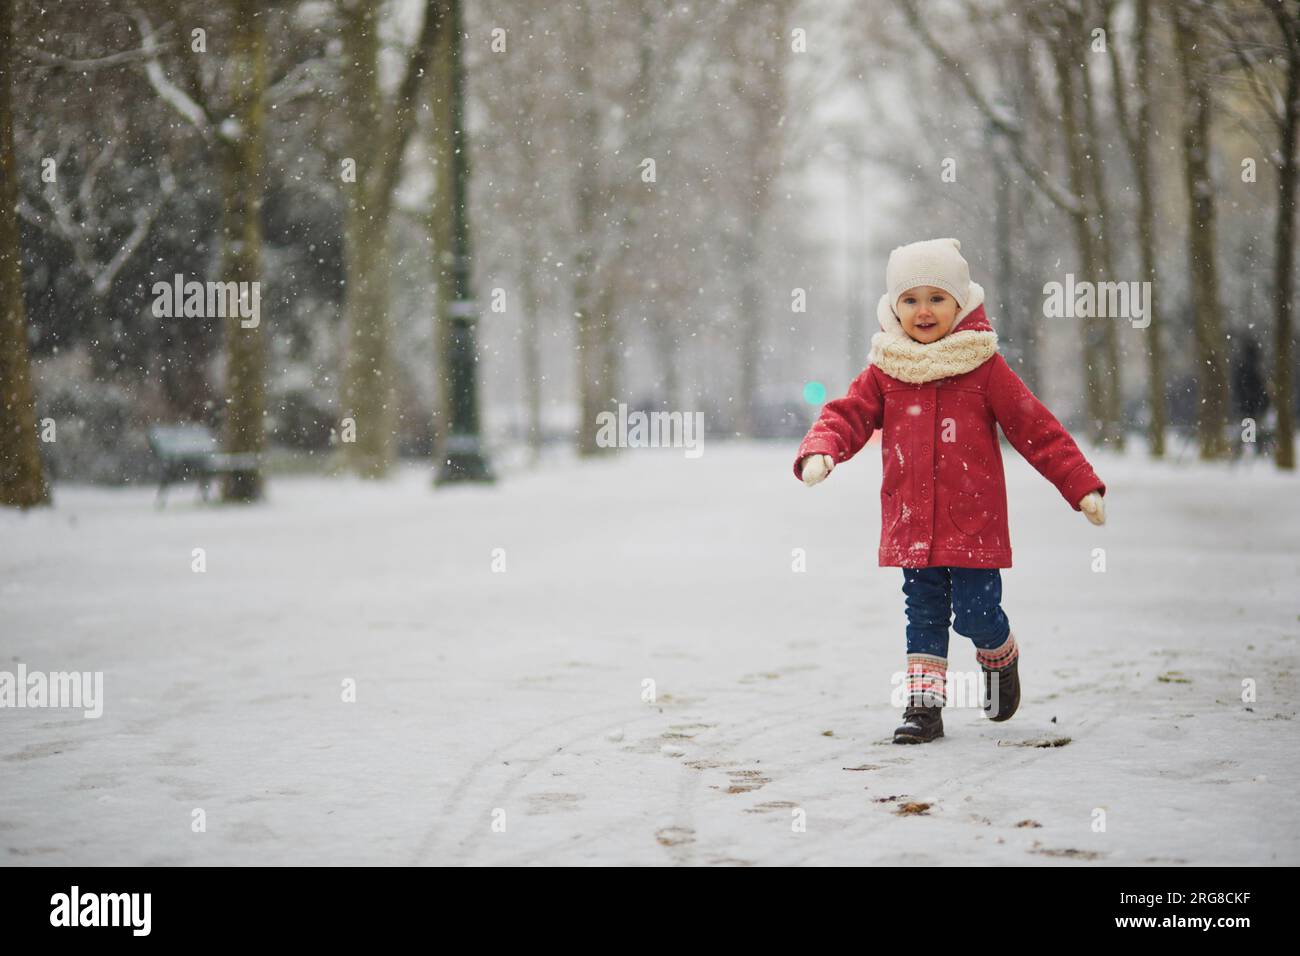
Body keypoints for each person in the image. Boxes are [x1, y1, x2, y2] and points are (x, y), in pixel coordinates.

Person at [793, 238, 1106, 743]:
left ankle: (1000, 655)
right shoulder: (886, 369)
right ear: (894, 307)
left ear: (961, 304)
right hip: (910, 522)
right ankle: (924, 709)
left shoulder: (983, 367)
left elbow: (1036, 429)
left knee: (977, 611)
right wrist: (823, 448)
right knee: (924, 613)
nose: (923, 311)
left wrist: (1080, 485)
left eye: (937, 298)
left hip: (974, 525)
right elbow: (846, 414)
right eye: (910, 299)